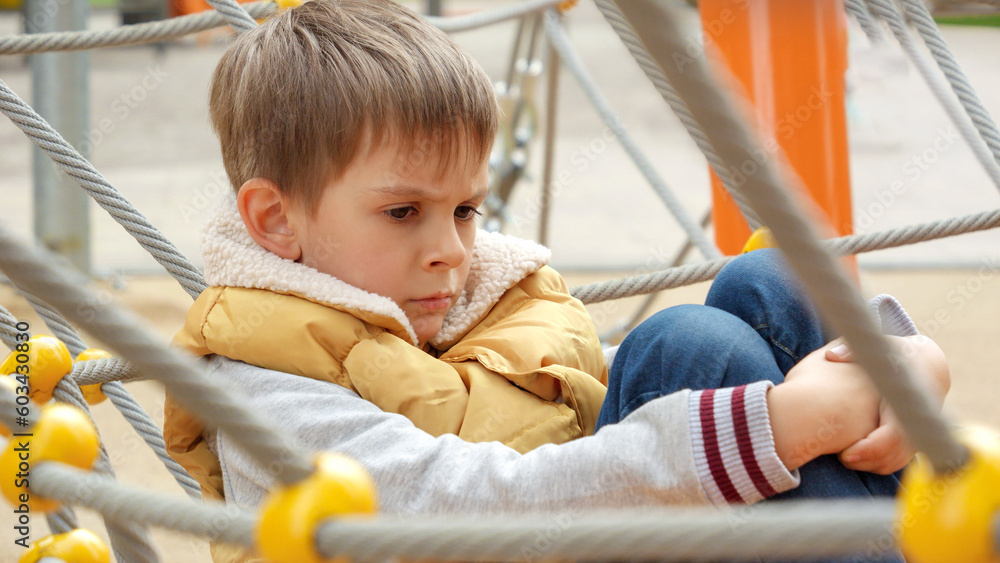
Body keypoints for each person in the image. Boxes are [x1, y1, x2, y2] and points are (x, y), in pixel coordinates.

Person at [163, 0, 949, 560]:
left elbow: (578, 381)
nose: (451, 249)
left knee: (766, 282)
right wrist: (775, 427)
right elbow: (453, 508)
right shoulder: (262, 379)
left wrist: (899, 363)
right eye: (403, 211)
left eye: (467, 207)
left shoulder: (469, 297)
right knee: (688, 342)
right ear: (274, 221)